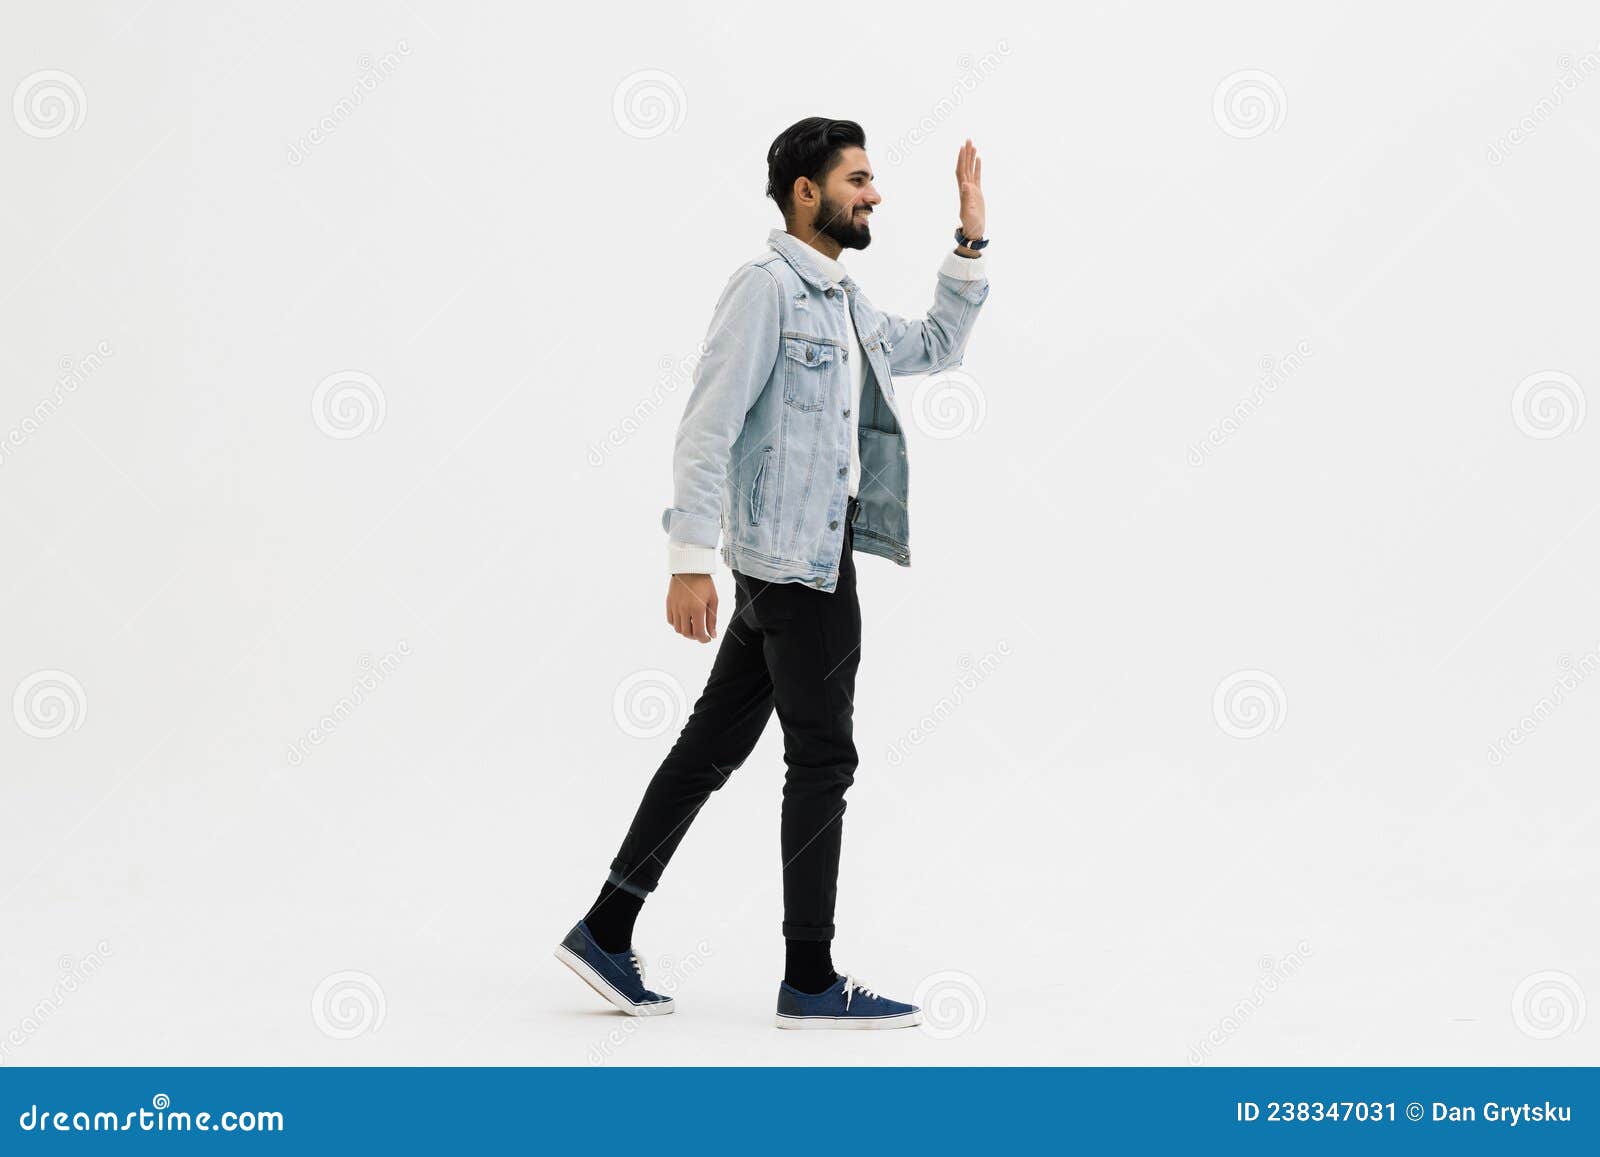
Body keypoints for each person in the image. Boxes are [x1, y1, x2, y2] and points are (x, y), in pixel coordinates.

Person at [555, 117, 990, 1029]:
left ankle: (606, 925)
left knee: (710, 749)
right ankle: (810, 978)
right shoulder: (763, 291)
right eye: (858, 179)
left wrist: (970, 240)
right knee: (822, 759)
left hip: (795, 564)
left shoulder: (842, 298)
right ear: (806, 192)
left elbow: (934, 348)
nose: (874, 194)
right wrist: (686, 561)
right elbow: (706, 427)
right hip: (794, 576)